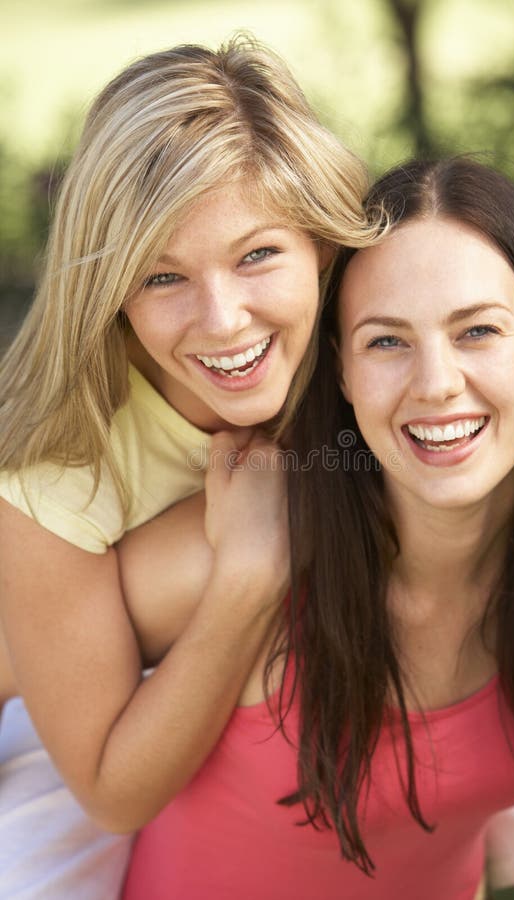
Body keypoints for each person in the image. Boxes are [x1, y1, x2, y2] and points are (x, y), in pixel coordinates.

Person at [120, 158, 514, 900]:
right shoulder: (233, 548)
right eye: (386, 342)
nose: (437, 382)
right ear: (340, 373)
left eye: (477, 331)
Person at [0, 35, 382, 899]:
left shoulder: (368, 327)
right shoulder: (57, 461)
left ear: (321, 244)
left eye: (257, 255)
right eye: (162, 277)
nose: (223, 320)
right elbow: (108, 788)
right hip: (52, 726)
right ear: (110, 297)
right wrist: (246, 574)